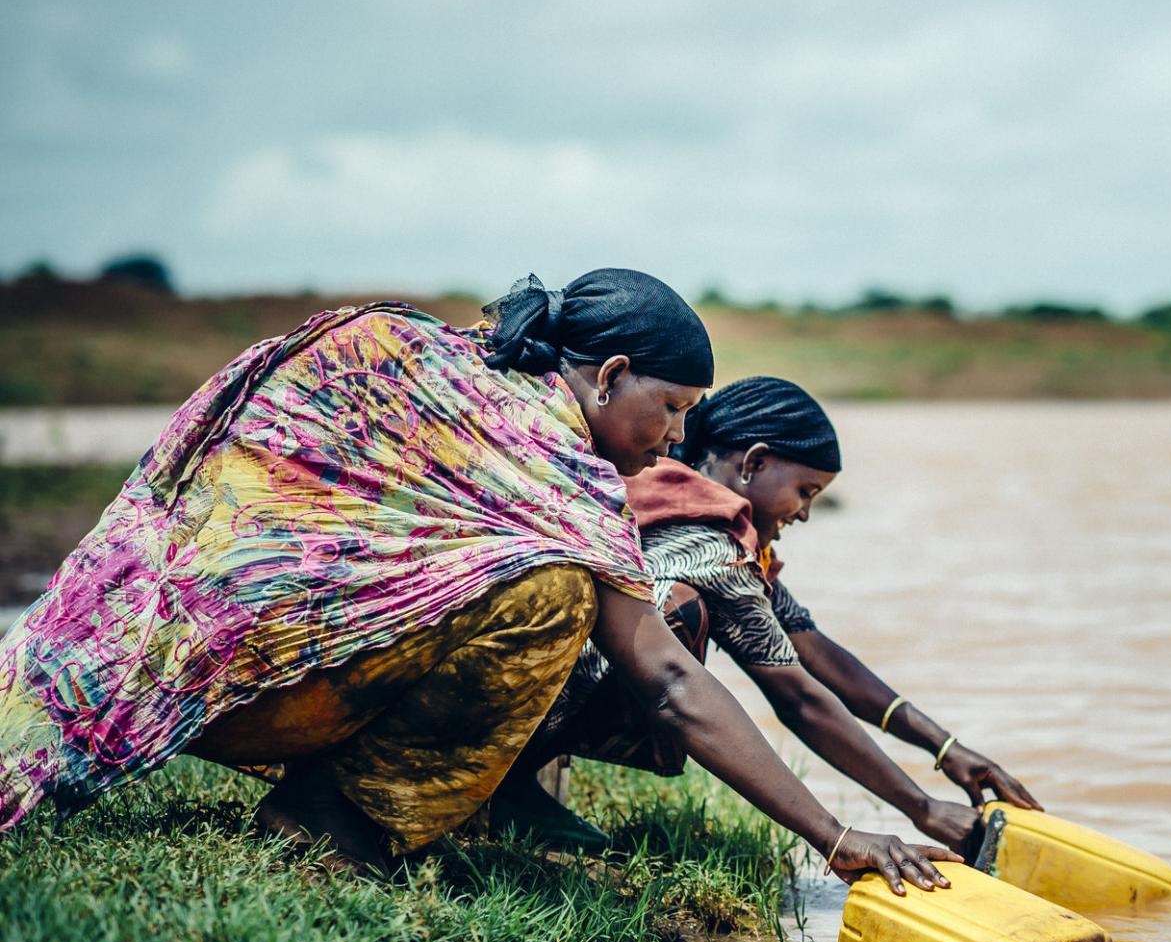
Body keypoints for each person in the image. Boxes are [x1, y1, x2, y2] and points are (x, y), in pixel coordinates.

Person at [0, 271, 955, 894]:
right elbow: (669, 681)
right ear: (610, 373)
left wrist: (928, 769)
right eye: (668, 409)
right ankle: (338, 821)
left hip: (157, 664)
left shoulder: (443, 362)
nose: (672, 437)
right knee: (557, 597)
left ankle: (475, 794)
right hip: (252, 688)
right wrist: (838, 837)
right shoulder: (558, 463)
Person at [498, 376, 1040, 856]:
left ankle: (514, 781)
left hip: (507, 683)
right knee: (678, 613)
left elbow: (813, 649)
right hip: (505, 702)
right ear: (754, 463)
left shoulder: (690, 507)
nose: (804, 513)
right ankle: (507, 789)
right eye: (805, 491)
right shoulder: (708, 540)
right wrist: (918, 808)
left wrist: (945, 748)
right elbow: (799, 697)